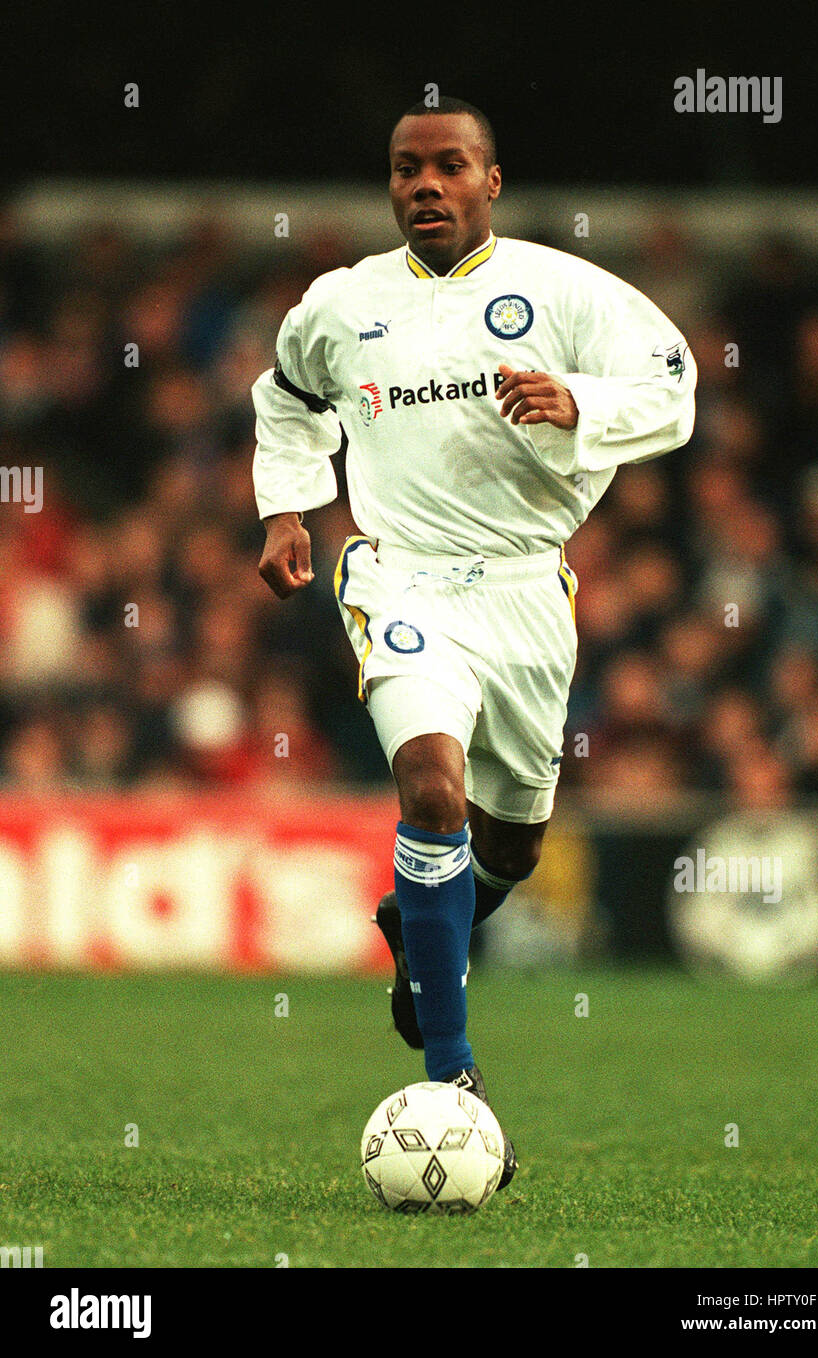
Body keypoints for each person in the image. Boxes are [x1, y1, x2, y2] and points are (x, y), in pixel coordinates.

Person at [252, 98, 697, 1190]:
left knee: (509, 846)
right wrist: (286, 509)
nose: (424, 186)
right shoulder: (341, 303)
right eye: (407, 169)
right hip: (397, 573)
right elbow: (288, 395)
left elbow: (674, 387)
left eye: (449, 167)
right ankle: (453, 1074)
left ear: (490, 181)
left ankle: (423, 927)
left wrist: (579, 400)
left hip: (524, 589)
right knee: (429, 784)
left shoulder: (565, 291)